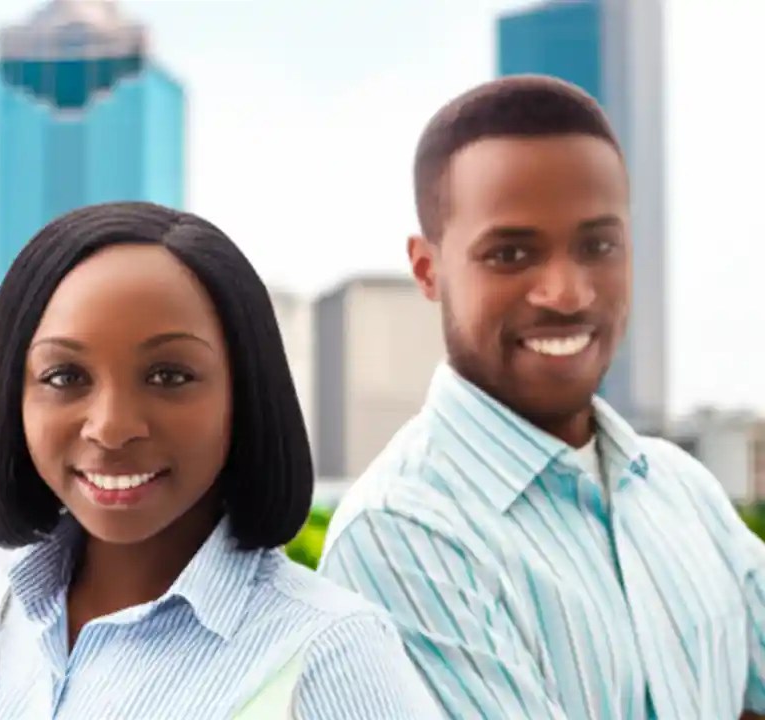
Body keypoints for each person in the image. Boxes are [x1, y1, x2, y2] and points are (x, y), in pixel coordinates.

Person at [0, 201, 441, 719]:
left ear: (244, 392)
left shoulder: (331, 651)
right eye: (65, 375)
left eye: (169, 375)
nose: (113, 427)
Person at [318, 74, 765, 720]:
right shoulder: (399, 536)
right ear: (427, 269)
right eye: (511, 253)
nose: (567, 292)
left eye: (599, 246)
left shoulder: (684, 493)